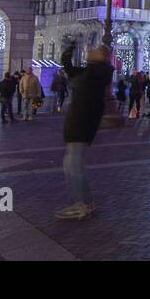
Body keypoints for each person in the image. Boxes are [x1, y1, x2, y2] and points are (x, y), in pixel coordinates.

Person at [56, 42, 114, 220]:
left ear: (102, 57)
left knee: (73, 166)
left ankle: (82, 204)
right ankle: (84, 202)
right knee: (70, 165)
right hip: (77, 122)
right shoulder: (89, 71)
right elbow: (67, 66)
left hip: (82, 123)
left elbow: (77, 75)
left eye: (94, 50)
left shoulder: (97, 73)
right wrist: (70, 49)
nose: (89, 51)